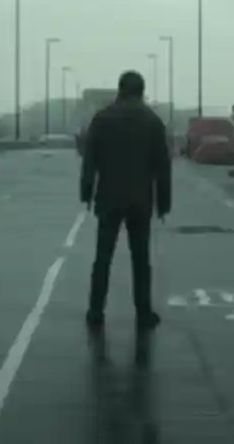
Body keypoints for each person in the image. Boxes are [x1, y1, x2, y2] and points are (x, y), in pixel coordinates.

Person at [80, 70, 172, 330]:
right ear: (142, 91)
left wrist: (87, 192)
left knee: (103, 257)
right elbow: (162, 167)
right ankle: (143, 312)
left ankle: (96, 310)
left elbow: (90, 161)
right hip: (140, 200)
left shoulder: (102, 118)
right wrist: (163, 203)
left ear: (119, 89)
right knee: (141, 259)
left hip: (109, 198)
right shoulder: (153, 122)